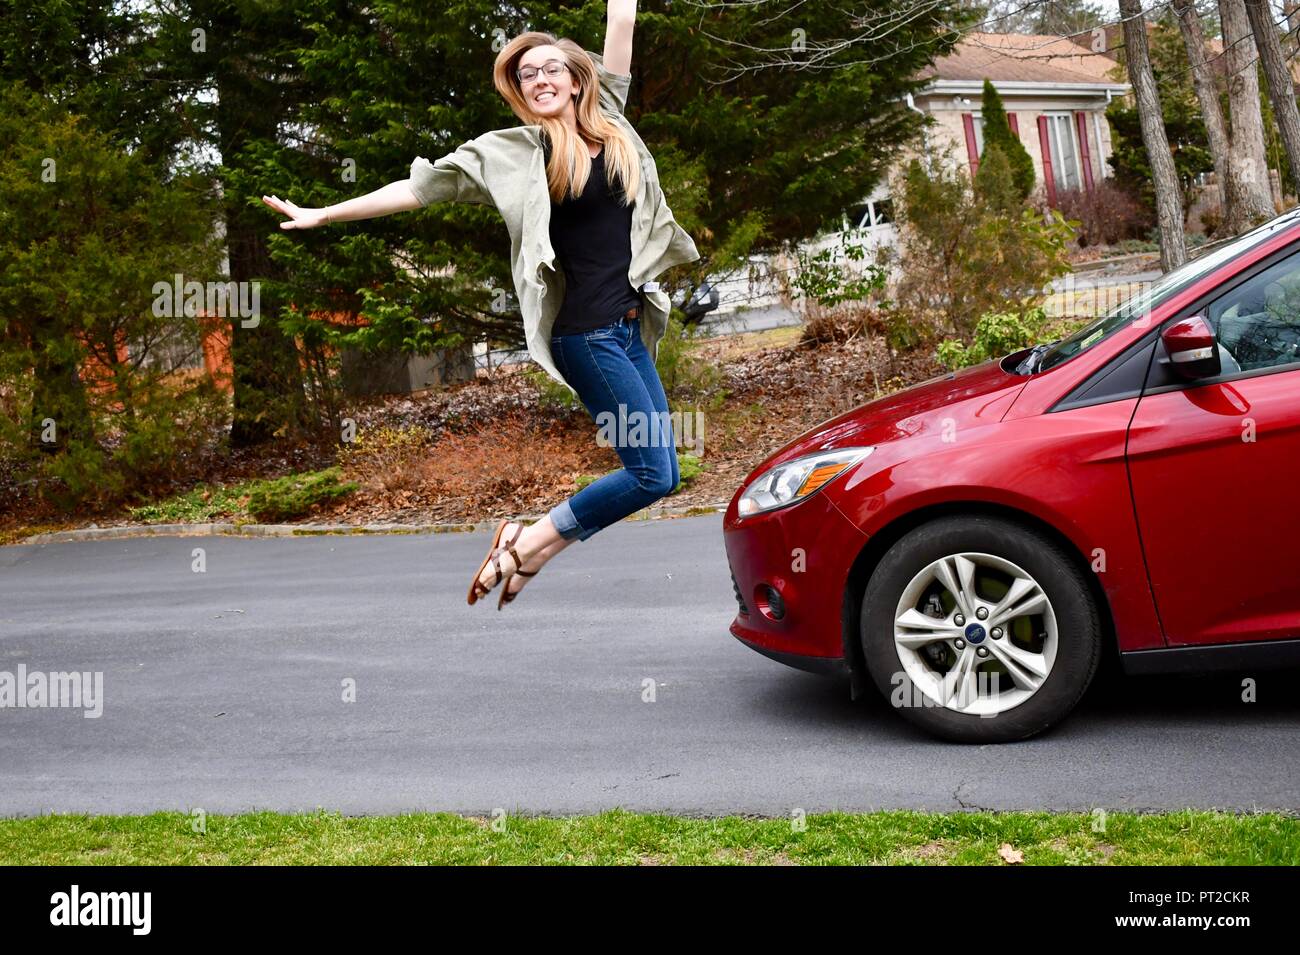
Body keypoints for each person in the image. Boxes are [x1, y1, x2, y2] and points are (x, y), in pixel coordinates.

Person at [261, 1, 700, 610]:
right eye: (527, 75)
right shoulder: (512, 154)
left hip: (628, 329)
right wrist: (324, 214)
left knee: (666, 475)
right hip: (589, 339)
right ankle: (526, 539)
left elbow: (621, 23)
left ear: (576, 79)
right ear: (519, 91)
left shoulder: (611, 123)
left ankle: (535, 550)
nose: (541, 80)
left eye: (551, 69)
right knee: (650, 472)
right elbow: (419, 188)